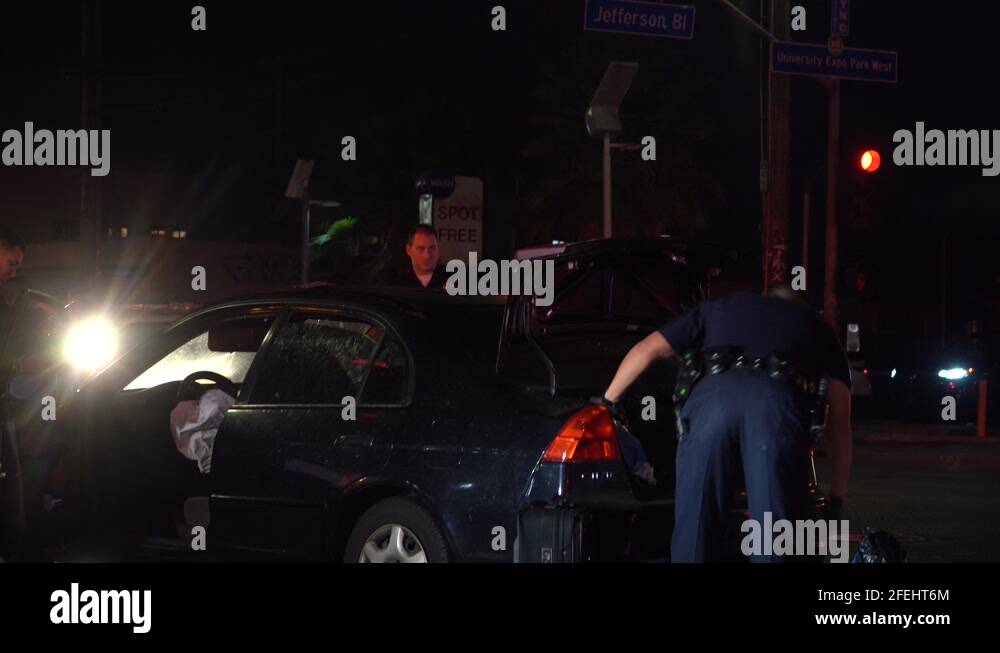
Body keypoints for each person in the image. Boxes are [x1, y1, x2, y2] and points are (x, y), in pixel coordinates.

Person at [601, 287, 853, 562]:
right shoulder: (817, 327)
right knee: (774, 539)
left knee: (694, 535)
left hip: (711, 406)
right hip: (774, 410)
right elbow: (839, 424)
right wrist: (836, 499)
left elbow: (645, 350)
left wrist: (607, 404)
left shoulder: (717, 309)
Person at [391, 224, 450, 289]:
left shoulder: (452, 278)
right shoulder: (396, 282)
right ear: (408, 250)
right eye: (420, 249)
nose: (427, 255)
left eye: (432, 248)